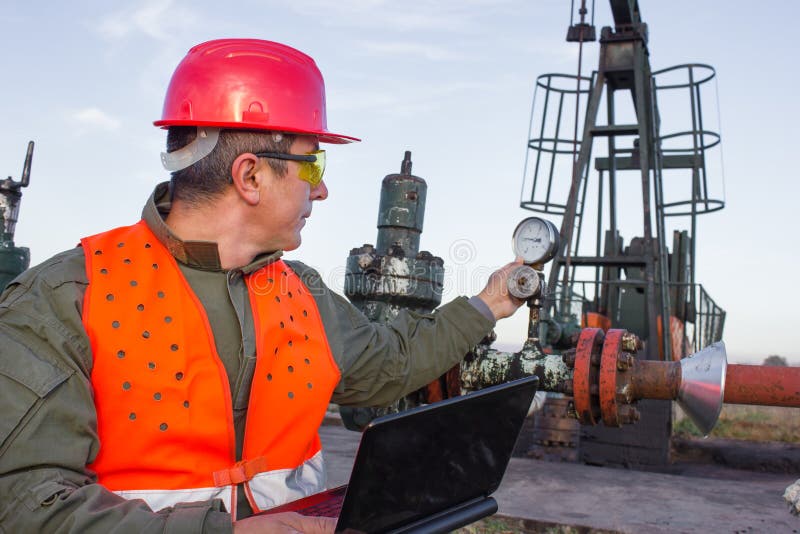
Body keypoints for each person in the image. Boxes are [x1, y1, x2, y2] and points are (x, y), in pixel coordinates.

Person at [0, 39, 523, 533]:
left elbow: (387, 363)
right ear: (250, 177)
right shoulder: (64, 299)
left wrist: (489, 303)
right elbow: (24, 502)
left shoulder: (302, 292)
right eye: (313, 161)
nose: (321, 188)